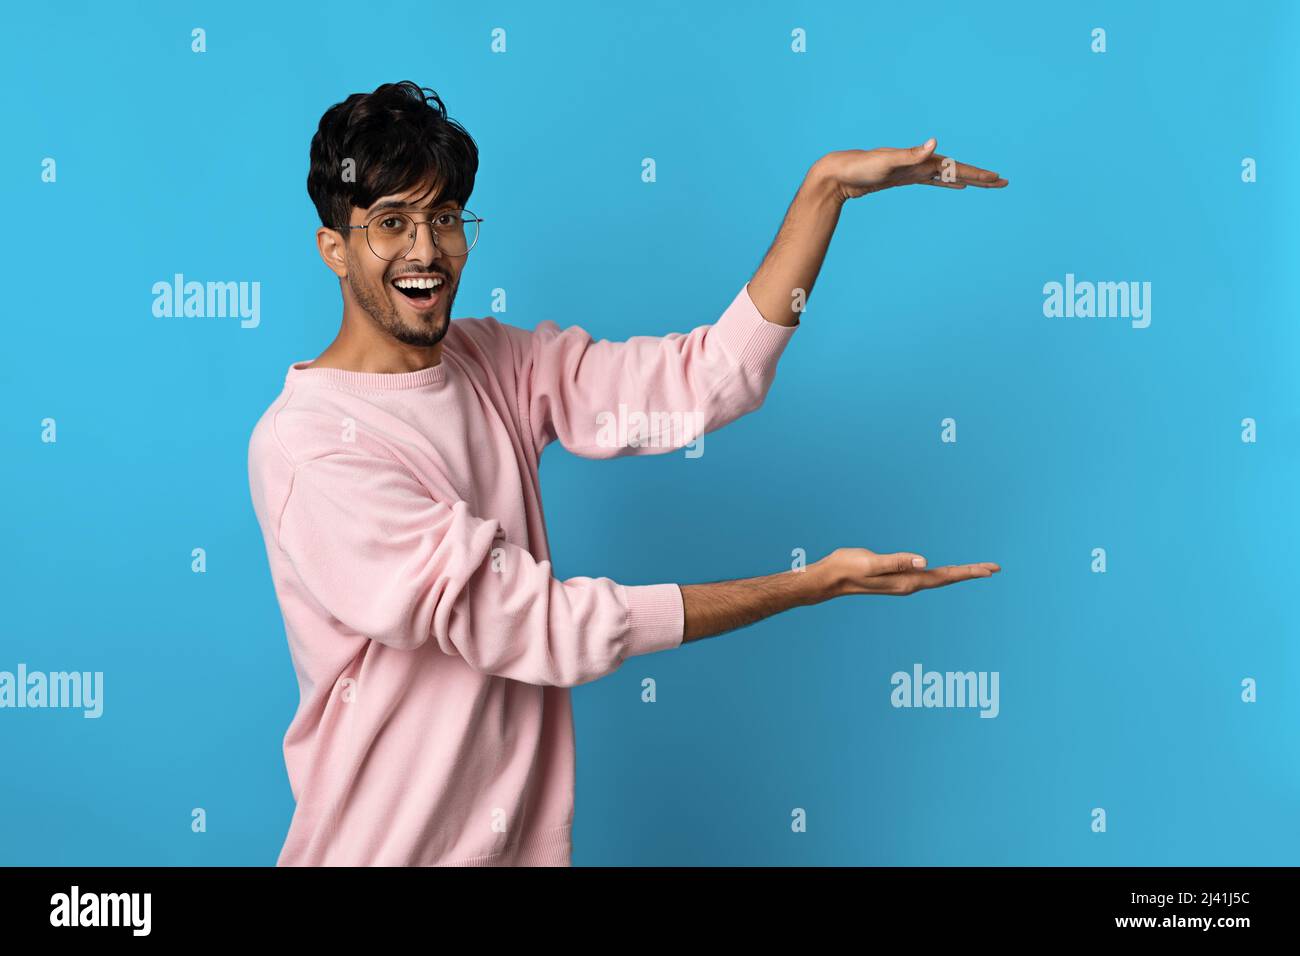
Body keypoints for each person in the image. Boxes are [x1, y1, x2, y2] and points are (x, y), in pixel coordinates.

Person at [247, 80, 1007, 866]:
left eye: (443, 218)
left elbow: (711, 379)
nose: (425, 250)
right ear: (333, 247)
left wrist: (826, 194)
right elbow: (546, 628)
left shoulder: (494, 363)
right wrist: (805, 587)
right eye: (391, 224)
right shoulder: (311, 448)